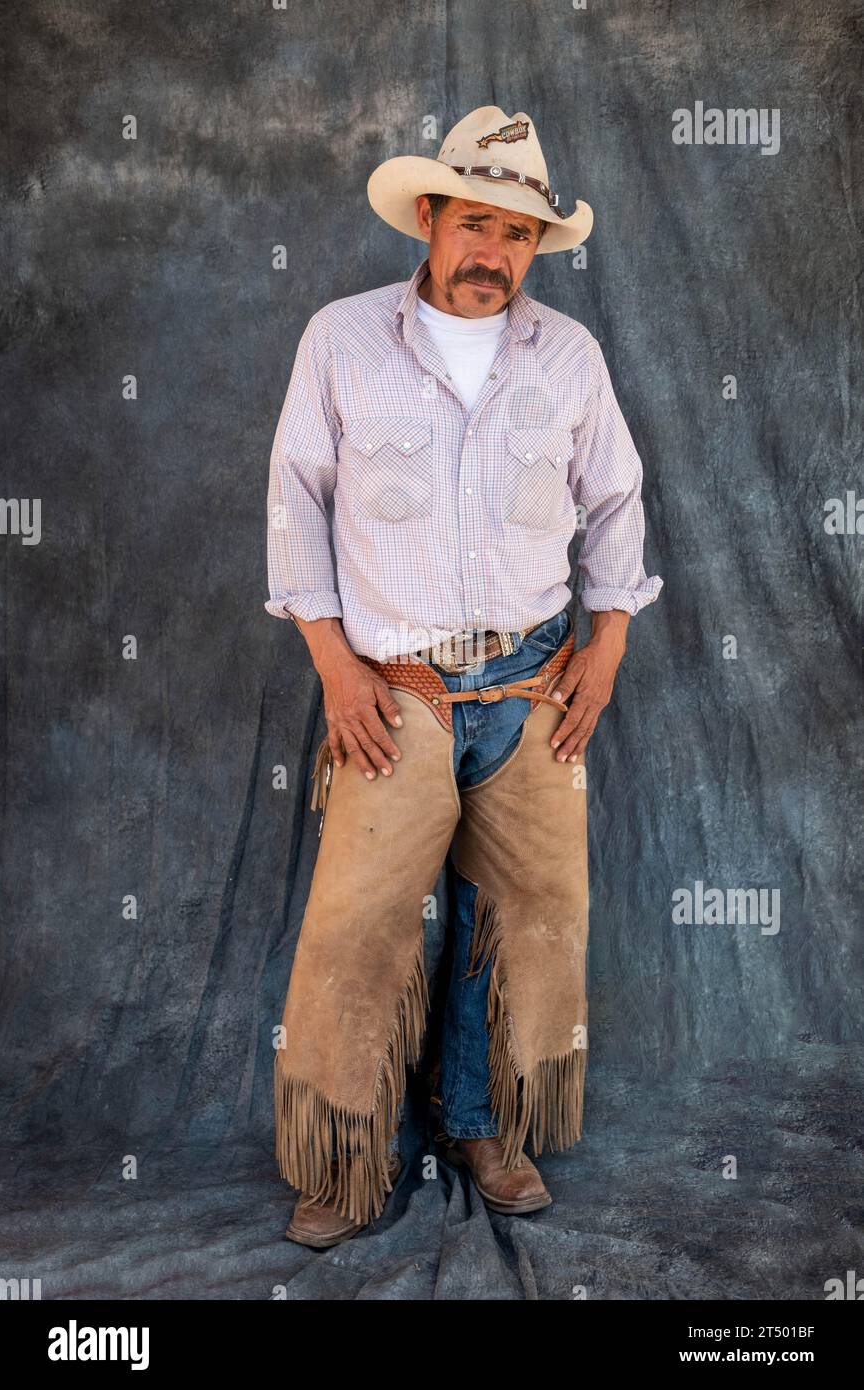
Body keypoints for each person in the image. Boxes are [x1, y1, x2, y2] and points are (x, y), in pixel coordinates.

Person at [265, 105, 663, 1249]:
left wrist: (608, 643)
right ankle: (345, 1160)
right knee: (358, 926)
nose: (494, 251)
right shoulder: (339, 340)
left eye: (519, 233)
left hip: (537, 688)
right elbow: (294, 498)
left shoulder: (569, 356)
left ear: (536, 247)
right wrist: (332, 663)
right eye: (475, 222)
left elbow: (615, 499)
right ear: (428, 219)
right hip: (389, 692)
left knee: (530, 918)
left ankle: (486, 1126)